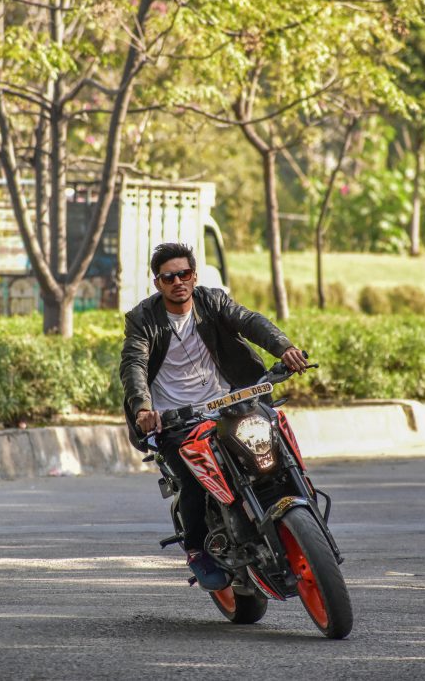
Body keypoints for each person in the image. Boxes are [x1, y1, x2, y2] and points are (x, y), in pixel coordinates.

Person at [119, 242, 309, 591]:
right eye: (169, 276)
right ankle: (196, 548)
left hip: (228, 402)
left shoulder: (212, 301)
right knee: (192, 479)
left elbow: (250, 321)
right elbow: (134, 364)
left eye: (185, 274)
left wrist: (285, 349)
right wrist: (144, 409)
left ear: (194, 275)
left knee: (271, 440)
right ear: (158, 283)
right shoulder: (143, 319)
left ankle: (301, 506)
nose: (179, 281)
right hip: (176, 419)